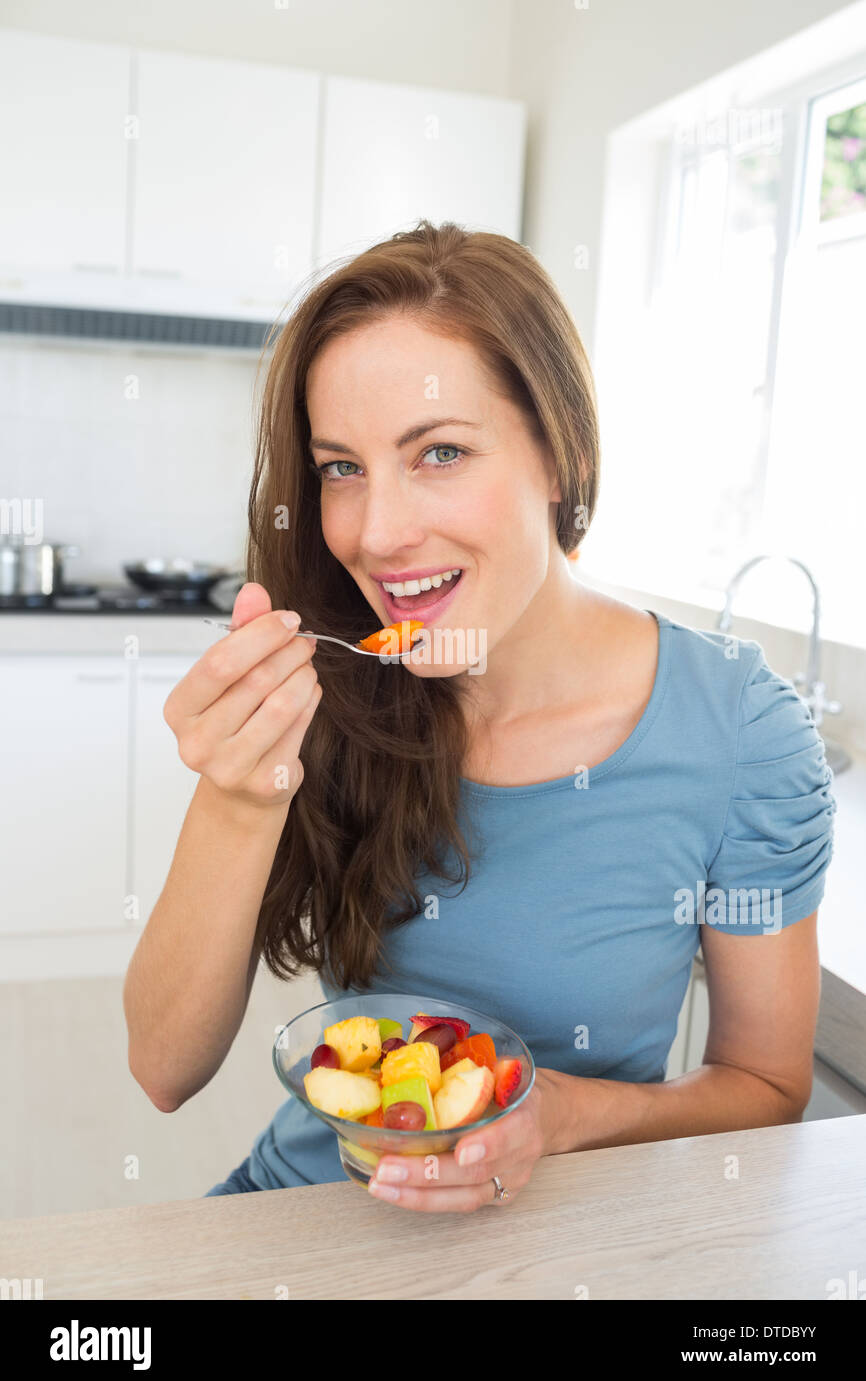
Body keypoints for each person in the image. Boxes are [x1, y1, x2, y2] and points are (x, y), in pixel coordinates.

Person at [123, 221, 836, 1212]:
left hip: (557, 1253)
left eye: (441, 451)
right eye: (341, 468)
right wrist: (238, 795)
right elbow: (163, 1068)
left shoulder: (739, 734)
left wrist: (564, 1115)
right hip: (294, 1222)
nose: (374, 534)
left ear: (561, 452)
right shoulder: (331, 684)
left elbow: (765, 1091)